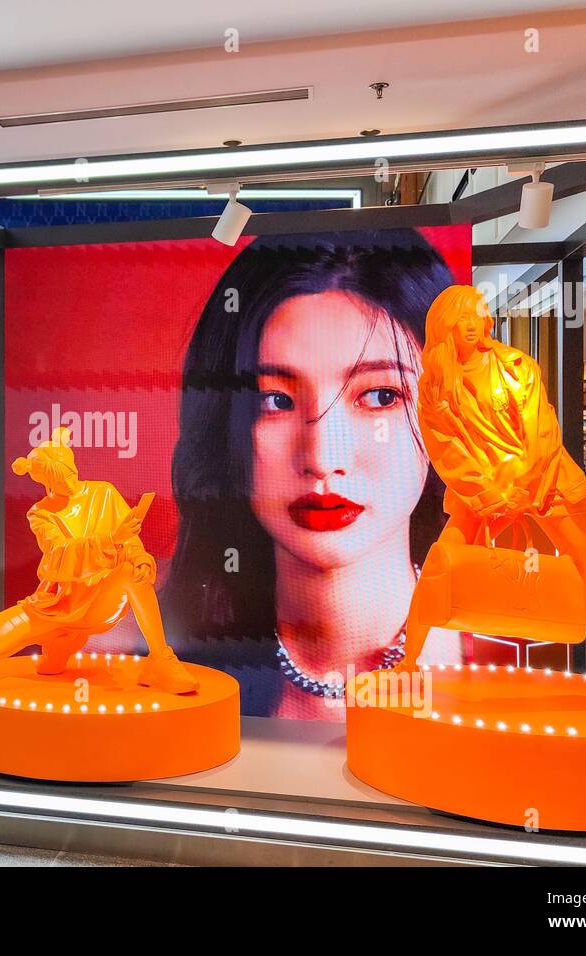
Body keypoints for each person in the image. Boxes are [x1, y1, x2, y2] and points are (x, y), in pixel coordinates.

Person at [164, 231, 456, 719]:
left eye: (380, 396)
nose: (322, 458)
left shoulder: (504, 651)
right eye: (275, 401)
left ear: (448, 412)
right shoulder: (142, 639)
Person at [397, 285, 586, 712]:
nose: (476, 325)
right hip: (482, 494)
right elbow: (446, 450)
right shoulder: (435, 387)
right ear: (446, 324)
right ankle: (406, 664)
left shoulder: (516, 366)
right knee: (439, 566)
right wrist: (491, 494)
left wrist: (518, 490)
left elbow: (541, 433)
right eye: (465, 318)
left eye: (480, 314)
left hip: (547, 483)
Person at [0, 427, 199, 694]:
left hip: (98, 600)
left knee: (129, 569)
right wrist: (110, 540)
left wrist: (140, 558)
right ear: (47, 481)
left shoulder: (103, 494)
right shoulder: (41, 513)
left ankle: (160, 659)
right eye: (62, 478)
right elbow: (59, 554)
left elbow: (129, 541)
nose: (71, 481)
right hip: (54, 604)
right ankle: (59, 641)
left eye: (71, 472)